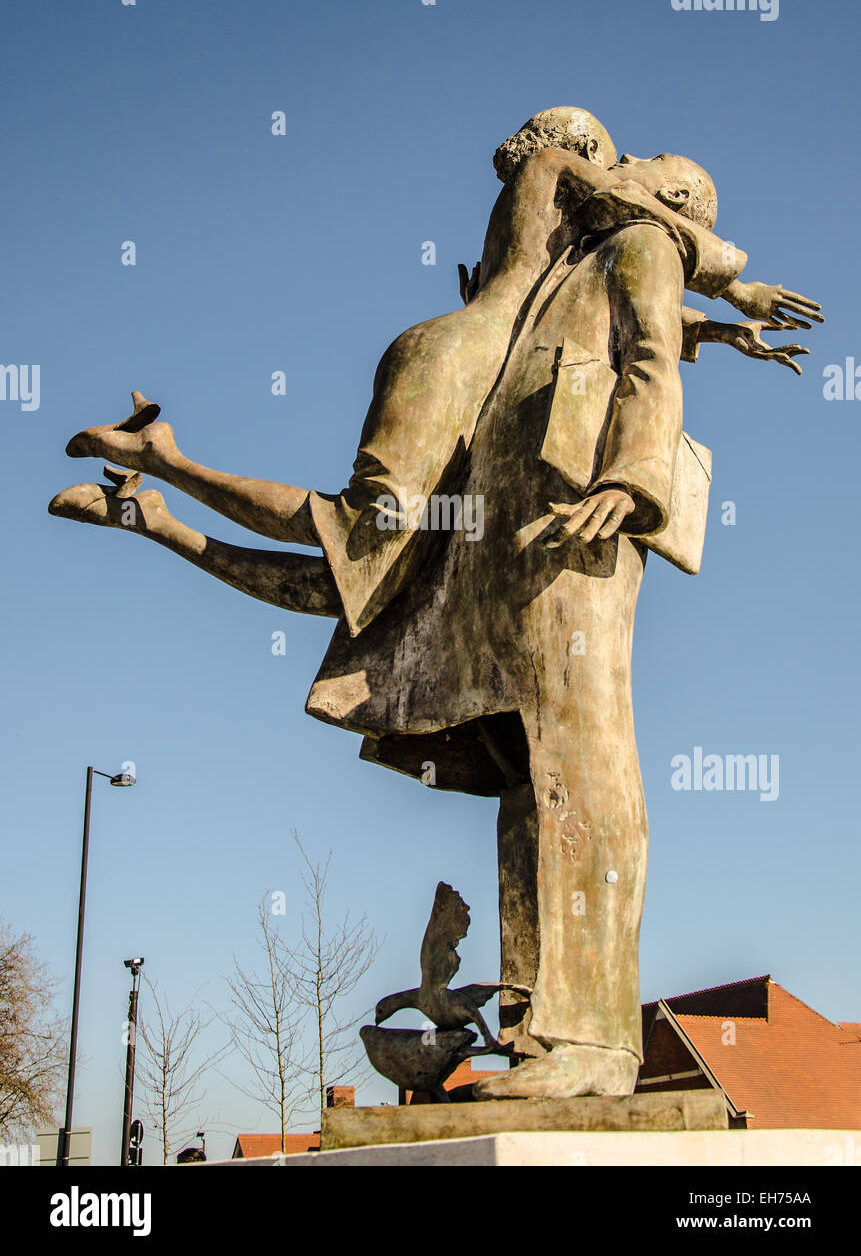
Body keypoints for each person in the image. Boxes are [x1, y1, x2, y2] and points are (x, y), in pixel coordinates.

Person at [49, 112, 822, 1096]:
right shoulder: (596, 238)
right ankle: (550, 1028)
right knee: (480, 701)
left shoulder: (633, 233)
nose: (630, 162)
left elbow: (648, 357)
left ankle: (579, 1039)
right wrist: (731, 276)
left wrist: (640, 466)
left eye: (655, 170)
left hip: (553, 500)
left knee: (541, 730)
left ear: (664, 199)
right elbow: (614, 314)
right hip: (504, 481)